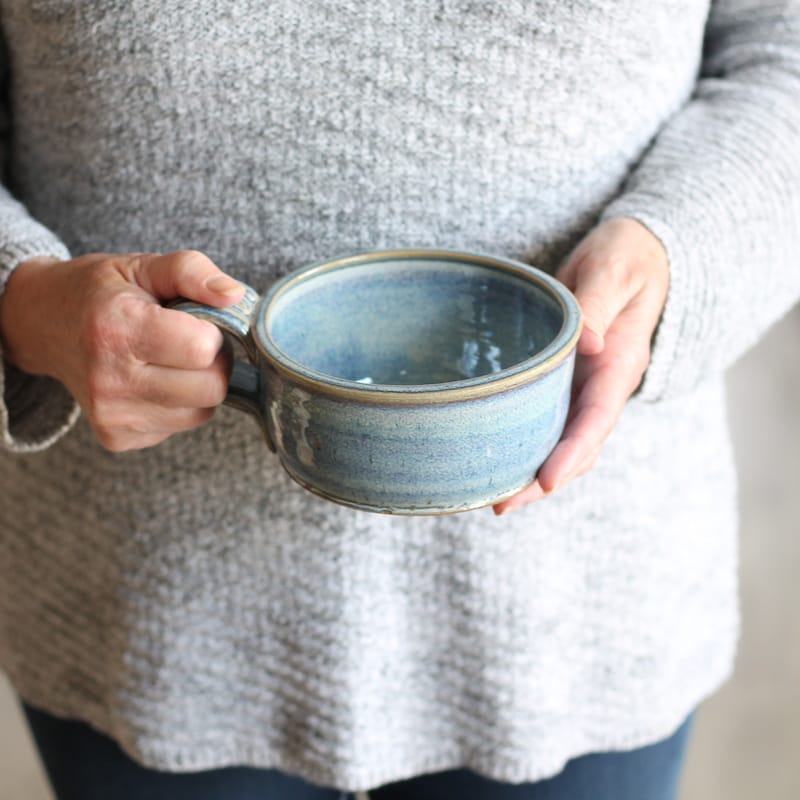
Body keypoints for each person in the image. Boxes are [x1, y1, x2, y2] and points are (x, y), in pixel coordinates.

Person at [0, 1, 798, 798]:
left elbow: (781, 53)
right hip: (139, 612)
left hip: (578, 620)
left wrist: (678, 245)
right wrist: (26, 302)